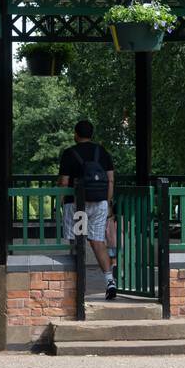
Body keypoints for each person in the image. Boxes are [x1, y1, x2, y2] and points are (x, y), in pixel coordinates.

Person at [59, 119, 117, 300]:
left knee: (77, 242)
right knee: (98, 241)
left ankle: (78, 284)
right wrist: (107, 203)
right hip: (99, 203)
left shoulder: (69, 153)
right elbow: (110, 180)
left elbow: (64, 182)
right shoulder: (102, 152)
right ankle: (110, 281)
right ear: (91, 135)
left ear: (76, 134)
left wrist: (62, 203)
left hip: (77, 204)